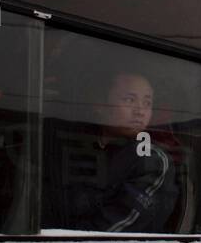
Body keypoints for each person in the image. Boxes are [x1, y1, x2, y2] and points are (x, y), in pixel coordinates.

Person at [44, 71, 179, 233]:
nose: (140, 111)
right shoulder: (70, 144)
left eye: (147, 103)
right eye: (130, 100)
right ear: (99, 104)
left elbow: (111, 231)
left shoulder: (152, 160)